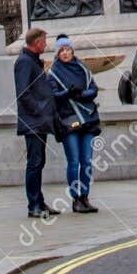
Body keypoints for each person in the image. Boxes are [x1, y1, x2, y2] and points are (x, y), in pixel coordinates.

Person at [47, 38, 101, 213]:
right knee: (74, 161)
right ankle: (75, 198)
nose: (64, 53)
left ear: (72, 51)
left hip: (88, 120)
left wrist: (81, 94)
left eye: (67, 49)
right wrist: (67, 93)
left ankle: (85, 196)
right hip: (68, 121)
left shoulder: (83, 69)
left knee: (86, 161)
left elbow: (94, 89)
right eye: (61, 50)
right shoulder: (53, 72)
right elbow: (53, 95)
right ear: (57, 53)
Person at [14, 27, 54, 220]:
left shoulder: (32, 61)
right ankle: (33, 204)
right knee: (34, 162)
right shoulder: (24, 62)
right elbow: (23, 93)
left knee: (40, 161)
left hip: (39, 121)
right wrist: (39, 109)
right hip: (33, 121)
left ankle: (39, 200)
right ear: (36, 42)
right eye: (44, 41)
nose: (46, 44)